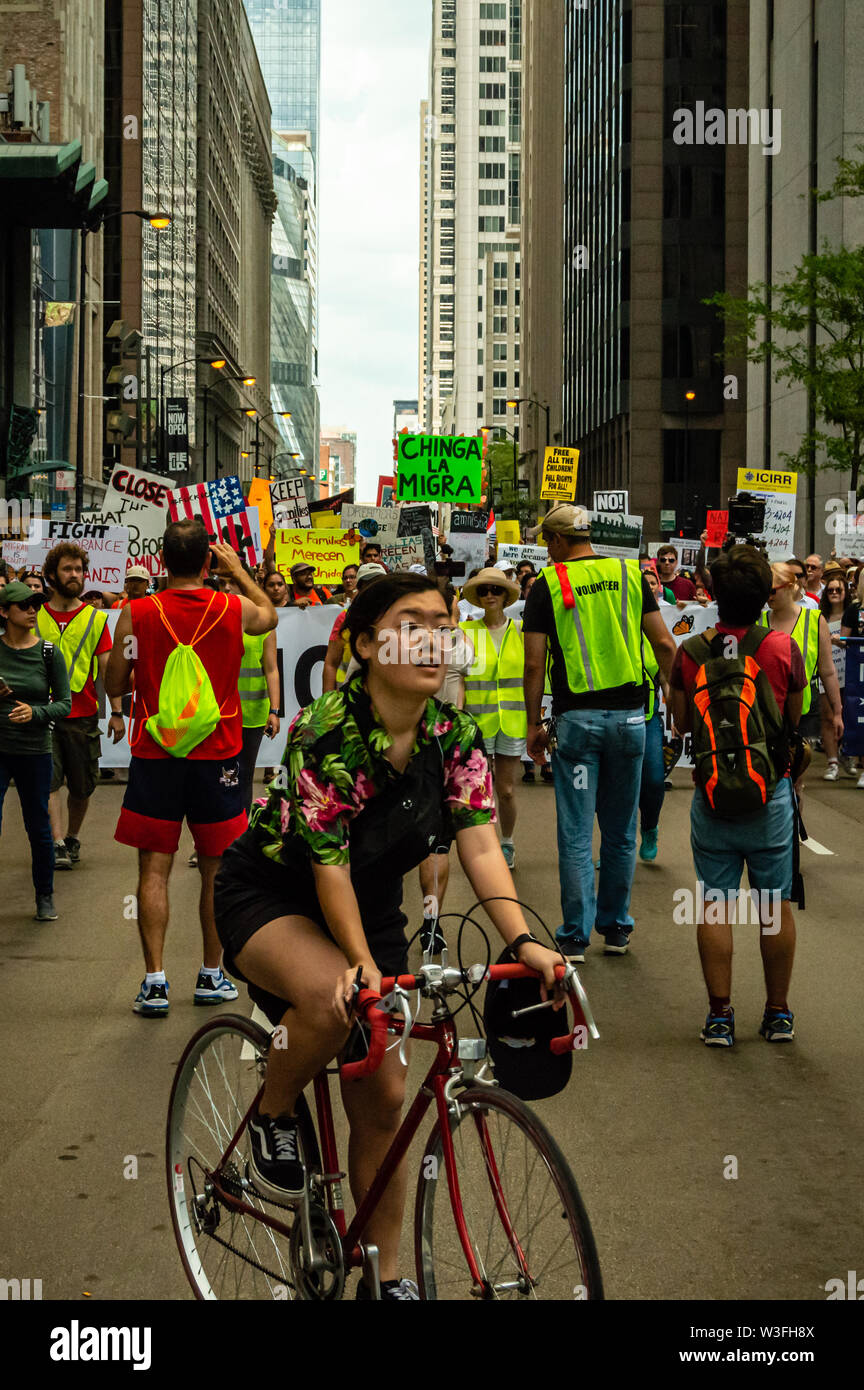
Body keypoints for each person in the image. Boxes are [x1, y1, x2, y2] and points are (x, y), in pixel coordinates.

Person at [213, 572, 562, 1299]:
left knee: (385, 1097)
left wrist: (523, 941)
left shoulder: (455, 736)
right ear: (367, 643)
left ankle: (389, 1276)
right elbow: (327, 868)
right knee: (329, 998)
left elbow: (480, 846)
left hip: (370, 909)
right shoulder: (326, 731)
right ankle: (273, 1112)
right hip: (274, 894)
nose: (436, 636)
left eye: (444, 621)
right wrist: (364, 967)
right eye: (413, 622)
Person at [106, 521, 277, 1017]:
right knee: (215, 871)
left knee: (153, 868)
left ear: (160, 560)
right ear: (208, 563)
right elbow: (268, 616)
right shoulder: (232, 608)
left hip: (156, 755)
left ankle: (155, 981)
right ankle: (210, 974)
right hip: (218, 754)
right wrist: (239, 570)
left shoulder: (136, 612)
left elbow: (116, 677)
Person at [523, 504, 676, 961]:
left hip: (578, 724)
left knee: (574, 833)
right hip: (631, 721)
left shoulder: (549, 584)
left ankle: (575, 935)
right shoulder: (633, 575)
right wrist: (674, 704)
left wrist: (534, 724)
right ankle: (616, 928)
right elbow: (665, 644)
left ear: (555, 542)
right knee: (620, 830)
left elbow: (534, 663)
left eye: (546, 542)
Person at [669, 546, 806, 1048]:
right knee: (774, 905)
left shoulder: (691, 652)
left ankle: (720, 1017)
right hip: (768, 792)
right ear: (762, 597)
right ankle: (777, 1013)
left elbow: (682, 724)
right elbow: (794, 718)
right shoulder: (779, 647)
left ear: (713, 595)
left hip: (711, 793)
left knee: (714, 905)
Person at [36, 542, 126, 869]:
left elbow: (108, 671)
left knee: (82, 786)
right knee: (48, 780)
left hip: (83, 715)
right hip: (43, 715)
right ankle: (57, 843)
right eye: (67, 569)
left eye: (78, 570)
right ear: (51, 575)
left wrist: (116, 712)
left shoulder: (94, 619)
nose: (75, 575)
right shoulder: (36, 616)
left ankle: (72, 837)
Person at [0, 581, 71, 920]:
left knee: (38, 827)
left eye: (36, 604)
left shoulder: (47, 652)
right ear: (4, 612)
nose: (32, 610)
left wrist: (35, 712)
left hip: (34, 751)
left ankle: (45, 894)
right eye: (24, 604)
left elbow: (65, 704)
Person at [459, 567, 526, 869]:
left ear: (505, 596)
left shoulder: (522, 631)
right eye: (484, 591)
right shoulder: (465, 630)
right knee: (476, 788)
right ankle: (481, 846)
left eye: (496, 590)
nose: (489, 595)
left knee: (506, 789)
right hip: (477, 722)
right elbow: (458, 678)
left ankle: (508, 842)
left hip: (512, 721)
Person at [759, 562, 843, 781]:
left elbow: (828, 671)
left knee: (795, 780)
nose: (768, 596)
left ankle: (793, 813)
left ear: (789, 586)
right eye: (764, 590)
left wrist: (837, 712)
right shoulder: (758, 621)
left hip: (803, 712)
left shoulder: (815, 620)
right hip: (763, 711)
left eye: (772, 590)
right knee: (767, 773)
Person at [225, 562, 281, 814]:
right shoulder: (215, 617)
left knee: (243, 776)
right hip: (220, 715)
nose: (227, 588)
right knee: (223, 776)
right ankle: (209, 842)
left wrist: (275, 710)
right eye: (223, 583)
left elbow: (271, 668)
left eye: (233, 582)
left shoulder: (263, 625)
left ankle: (238, 834)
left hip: (253, 716)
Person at [322, 562, 388, 693]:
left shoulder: (396, 617)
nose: (374, 588)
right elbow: (331, 663)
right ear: (360, 588)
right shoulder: (345, 618)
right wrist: (328, 702)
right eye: (369, 584)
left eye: (379, 583)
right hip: (348, 697)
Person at [820, 573, 850, 780]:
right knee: (828, 717)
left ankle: (847, 753)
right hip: (827, 672)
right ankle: (832, 762)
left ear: (845, 592)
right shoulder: (820, 617)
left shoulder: (853, 614)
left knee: (848, 715)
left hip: (848, 670)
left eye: (838, 590)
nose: (834, 593)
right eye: (830, 590)